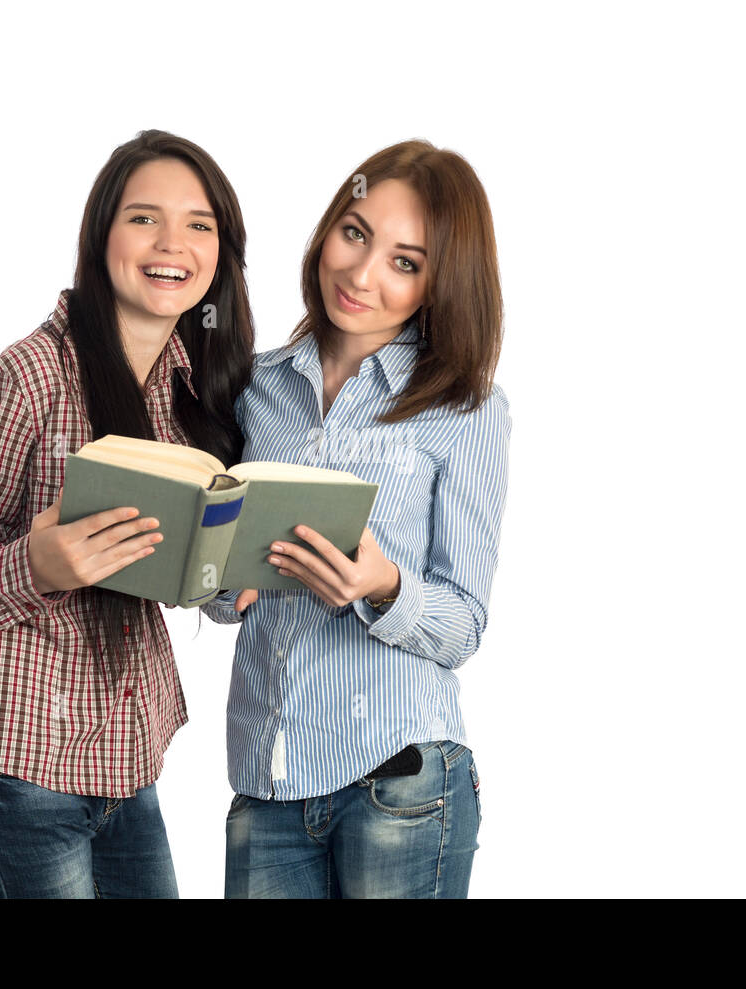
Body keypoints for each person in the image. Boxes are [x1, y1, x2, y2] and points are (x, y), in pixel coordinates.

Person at [0, 130, 254, 898]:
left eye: (199, 224)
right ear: (100, 234)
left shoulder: (186, 394)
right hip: (12, 766)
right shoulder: (27, 378)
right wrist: (37, 564)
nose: (173, 244)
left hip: (122, 763)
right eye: (145, 218)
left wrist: (230, 582)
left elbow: (169, 568)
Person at [204, 140, 510, 898]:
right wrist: (223, 581)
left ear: (440, 284)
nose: (363, 273)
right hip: (266, 780)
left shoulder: (466, 409)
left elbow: (464, 623)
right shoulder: (256, 387)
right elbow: (221, 588)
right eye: (355, 232)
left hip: (399, 779)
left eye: (406, 262)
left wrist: (383, 584)